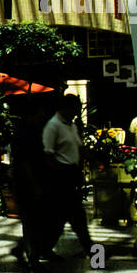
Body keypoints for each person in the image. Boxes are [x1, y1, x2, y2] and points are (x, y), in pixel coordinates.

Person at [42, 94, 93, 255]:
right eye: (75, 108)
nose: (77, 112)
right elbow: (48, 154)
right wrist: (57, 176)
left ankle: (42, 249)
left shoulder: (71, 126)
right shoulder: (53, 126)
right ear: (66, 108)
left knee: (61, 218)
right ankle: (91, 249)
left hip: (71, 176)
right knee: (74, 216)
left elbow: (79, 148)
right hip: (61, 178)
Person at [9, 103, 51, 273]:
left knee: (33, 221)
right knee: (31, 222)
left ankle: (23, 251)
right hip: (26, 183)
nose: (42, 119)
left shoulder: (29, 131)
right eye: (40, 115)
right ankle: (33, 260)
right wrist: (35, 184)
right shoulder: (25, 133)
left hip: (28, 182)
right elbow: (25, 161)